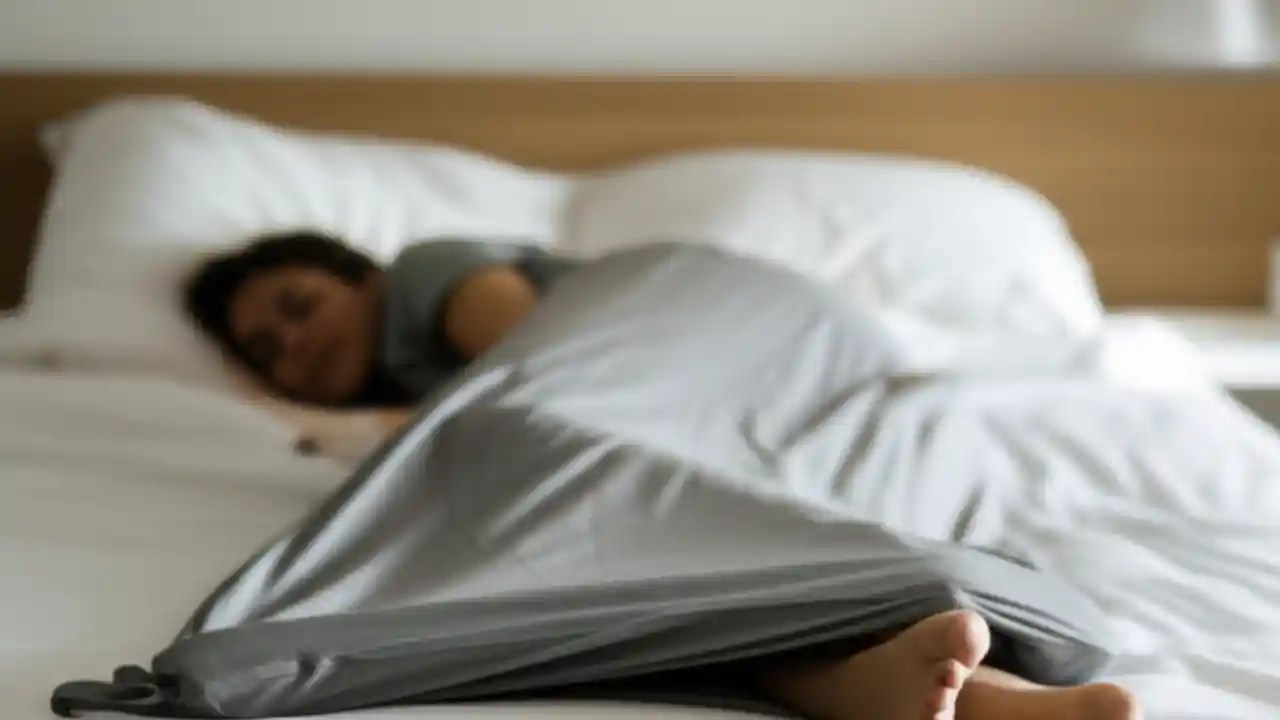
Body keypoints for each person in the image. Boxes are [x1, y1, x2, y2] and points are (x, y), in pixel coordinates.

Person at [184, 230, 1141, 720]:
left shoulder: (430, 273)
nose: (297, 344)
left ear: (357, 276)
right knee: (640, 590)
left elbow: (543, 366)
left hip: (740, 333)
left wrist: (397, 431)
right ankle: (943, 693)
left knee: (530, 452)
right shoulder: (396, 383)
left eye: (300, 304)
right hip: (763, 385)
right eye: (269, 348)